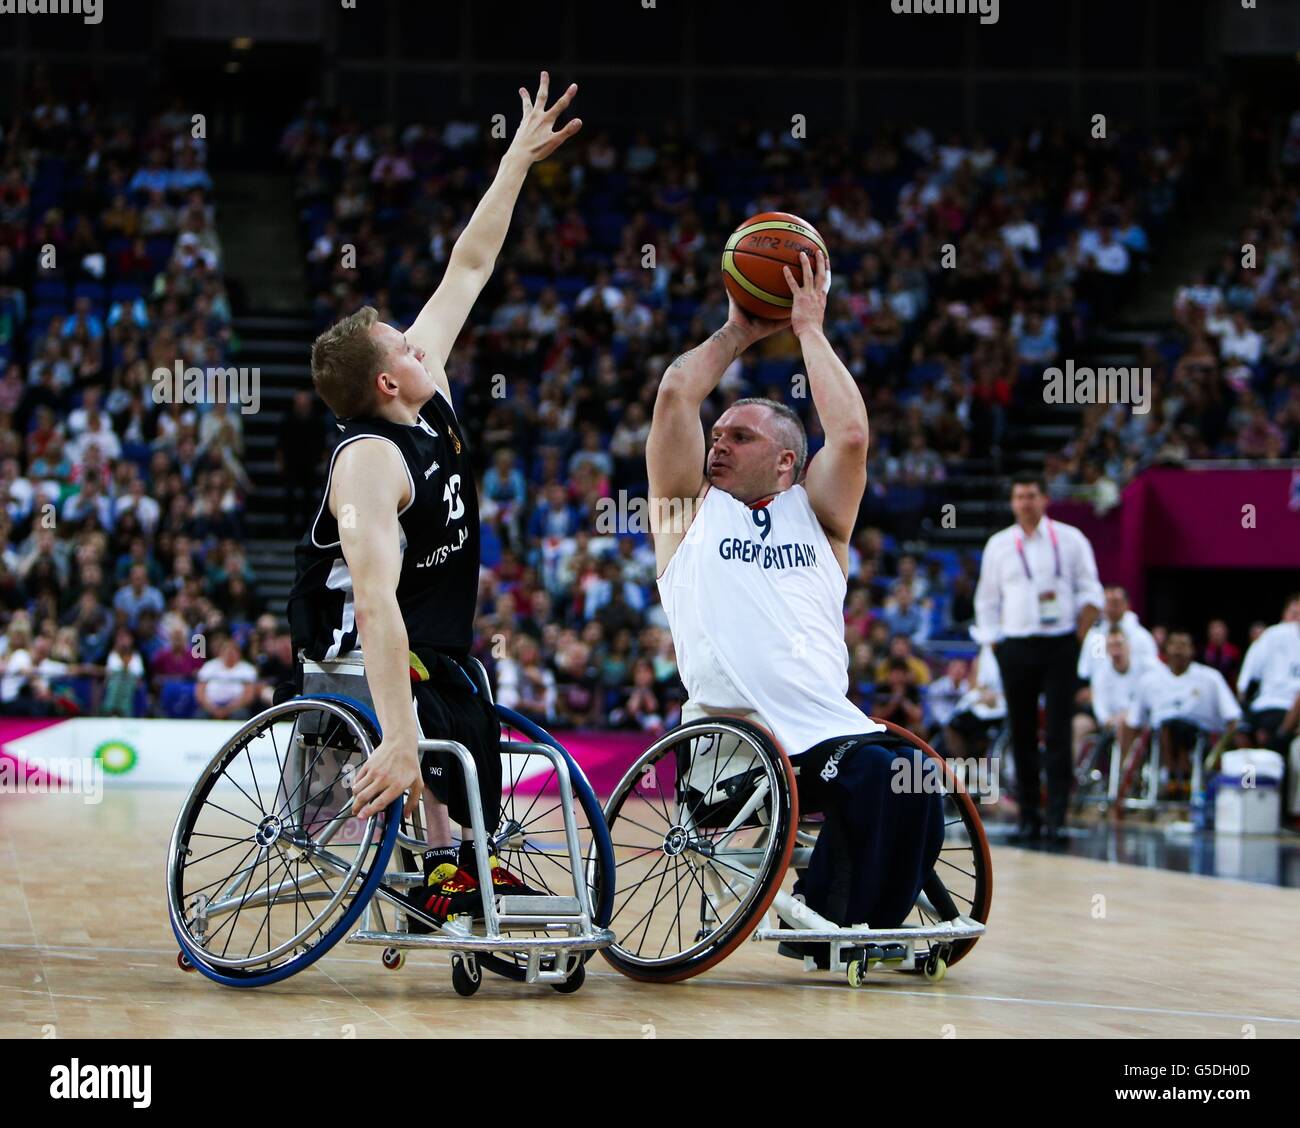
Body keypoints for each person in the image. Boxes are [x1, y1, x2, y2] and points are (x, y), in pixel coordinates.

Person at [285, 72, 581, 927]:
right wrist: (399, 732)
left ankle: (452, 865)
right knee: (441, 706)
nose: (421, 340)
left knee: (469, 692)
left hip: (429, 625)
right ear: (387, 378)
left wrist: (517, 159)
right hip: (353, 633)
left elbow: (472, 263)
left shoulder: (426, 391)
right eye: (404, 343)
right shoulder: (371, 460)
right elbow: (374, 603)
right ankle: (448, 867)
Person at [647, 247, 944, 956]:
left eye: (739, 436)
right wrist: (740, 331)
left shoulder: (820, 518)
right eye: (717, 436)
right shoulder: (685, 513)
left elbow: (850, 435)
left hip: (826, 730)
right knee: (878, 777)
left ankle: (851, 917)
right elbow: (674, 396)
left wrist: (809, 328)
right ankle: (847, 927)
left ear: (786, 459)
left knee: (916, 776)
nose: (718, 444)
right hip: (734, 747)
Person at [973, 472, 1104, 842]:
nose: (1025, 502)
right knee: (1022, 733)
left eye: (1031, 495)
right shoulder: (999, 545)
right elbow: (986, 601)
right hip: (1016, 645)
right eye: (1019, 496)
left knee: (1060, 731)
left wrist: (1077, 638)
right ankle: (1028, 817)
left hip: (1061, 642)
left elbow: (1090, 592)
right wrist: (996, 644)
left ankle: (1058, 816)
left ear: (1045, 499)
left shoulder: (1070, 539)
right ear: (1012, 502)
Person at [1124, 630, 1241, 798]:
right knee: (1167, 728)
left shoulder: (1211, 677)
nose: (1178, 650)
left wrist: (1220, 749)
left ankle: (1183, 780)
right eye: (1174, 645)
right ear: (1166, 649)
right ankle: (1169, 780)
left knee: (1181, 730)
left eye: (1184, 645)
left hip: (1200, 736)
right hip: (1158, 739)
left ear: (1192, 650)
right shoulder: (1149, 680)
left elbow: (1233, 717)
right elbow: (1134, 721)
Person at [1237, 594, 1300, 754]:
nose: (1296, 619)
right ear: (1284, 614)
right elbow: (1246, 681)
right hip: (1265, 707)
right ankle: (1251, 776)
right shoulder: (1271, 635)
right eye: (1294, 614)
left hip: (1291, 710)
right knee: (1245, 737)